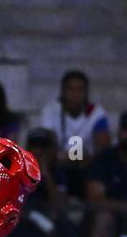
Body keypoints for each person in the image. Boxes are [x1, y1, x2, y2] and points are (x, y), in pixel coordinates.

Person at [40, 70, 113, 199]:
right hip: (58, 164)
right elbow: (48, 142)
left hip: (88, 165)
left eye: (79, 90)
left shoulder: (95, 112)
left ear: (86, 93)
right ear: (63, 91)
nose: (75, 94)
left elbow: (103, 146)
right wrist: (64, 157)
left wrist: (88, 158)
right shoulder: (52, 110)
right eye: (70, 89)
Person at [82, 111, 127, 237]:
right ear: (120, 132)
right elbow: (95, 198)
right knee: (103, 220)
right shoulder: (106, 159)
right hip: (106, 222)